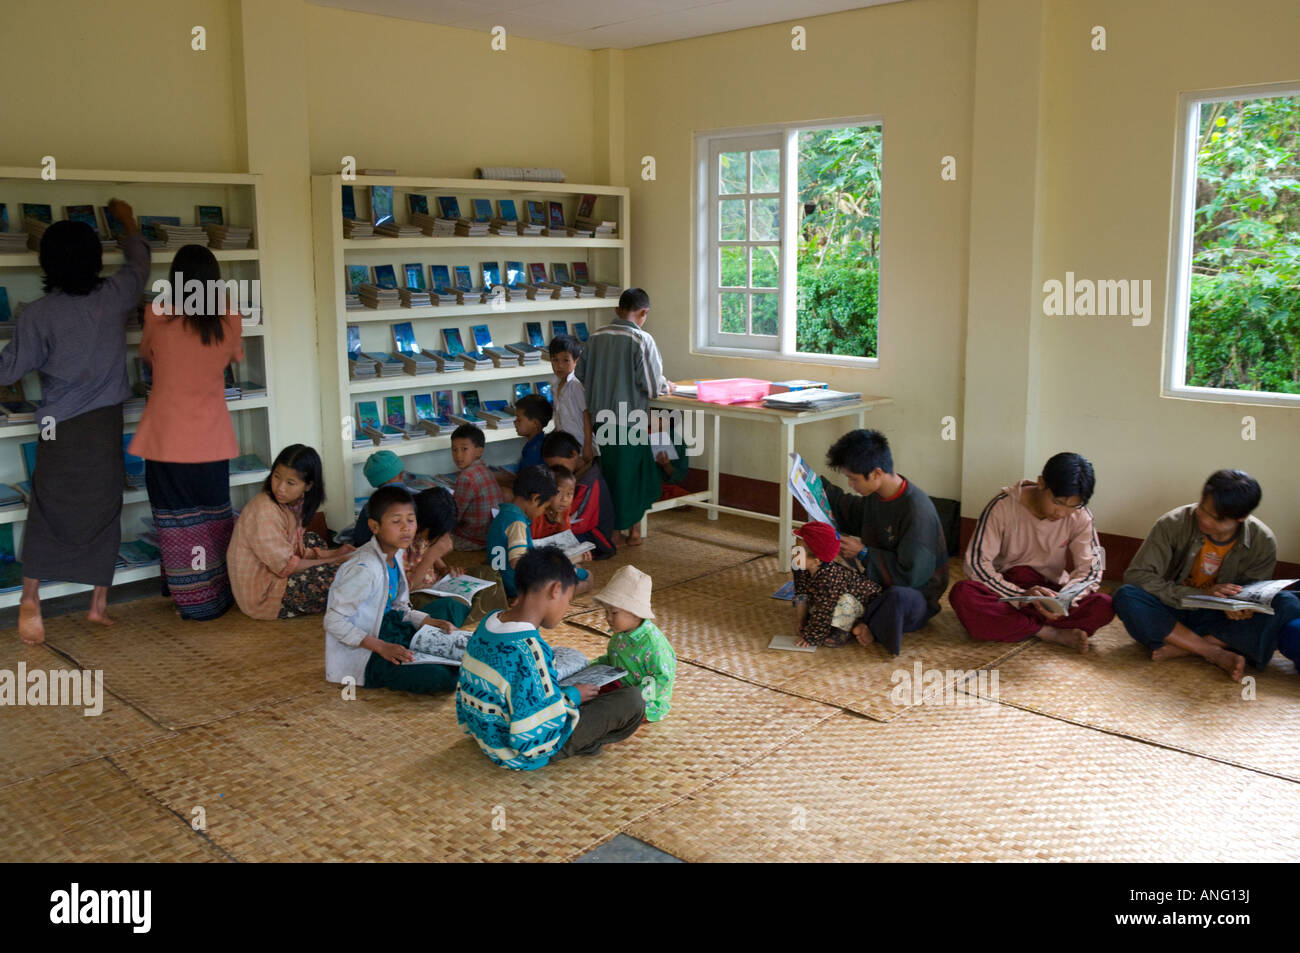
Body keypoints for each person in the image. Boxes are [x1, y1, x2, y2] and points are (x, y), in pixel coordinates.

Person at [1, 199, 150, 644]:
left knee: (47, 507)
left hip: (57, 426)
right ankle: (97, 605)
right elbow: (140, 261)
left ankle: (31, 600)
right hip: (104, 423)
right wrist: (126, 220)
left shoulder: (37, 314)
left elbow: (8, 371)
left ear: (47, 263)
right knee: (106, 508)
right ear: (94, 258)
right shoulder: (116, 295)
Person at [128, 244, 243, 621]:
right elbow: (233, 356)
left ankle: (191, 601)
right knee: (214, 521)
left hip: (166, 437)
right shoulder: (228, 318)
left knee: (176, 521)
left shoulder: (156, 315)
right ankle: (216, 596)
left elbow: (148, 355)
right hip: (212, 437)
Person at [457, 548, 645, 770]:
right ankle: (585, 744)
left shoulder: (490, 622)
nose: (566, 608)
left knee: (570, 671)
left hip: (485, 732)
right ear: (556, 590)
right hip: (513, 752)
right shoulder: (528, 651)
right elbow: (532, 738)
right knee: (632, 700)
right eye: (569, 598)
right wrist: (571, 697)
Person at [1112, 469, 1300, 680]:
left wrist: (1241, 606)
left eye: (1216, 518)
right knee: (1126, 595)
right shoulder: (1173, 523)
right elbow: (1138, 575)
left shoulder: (1262, 540)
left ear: (1241, 517)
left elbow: (1255, 594)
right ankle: (1212, 651)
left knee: (1288, 604)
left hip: (1219, 619)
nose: (1205, 519)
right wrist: (1198, 595)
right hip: (1175, 610)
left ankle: (1185, 646)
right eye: (1203, 508)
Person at [949, 452, 1112, 652]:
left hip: (1052, 592)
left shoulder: (1082, 516)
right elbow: (975, 563)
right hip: (1009, 591)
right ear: (1041, 483)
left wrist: (1066, 598)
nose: (1061, 513)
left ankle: (1016, 625)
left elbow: (1093, 568)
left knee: (1104, 605)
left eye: (1073, 506)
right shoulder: (1002, 506)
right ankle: (1048, 632)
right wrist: (1021, 596)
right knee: (962, 593)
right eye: (1058, 502)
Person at [324, 484, 463, 695]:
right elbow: (332, 621)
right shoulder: (364, 569)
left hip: (393, 629)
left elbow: (399, 607)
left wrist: (427, 620)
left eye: (411, 520)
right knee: (440, 678)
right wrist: (382, 647)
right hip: (369, 654)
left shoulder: (395, 554)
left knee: (452, 608)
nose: (406, 528)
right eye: (396, 521)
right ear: (374, 526)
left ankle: (431, 654)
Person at [821, 429, 949, 655]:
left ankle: (861, 622)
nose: (851, 484)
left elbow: (912, 575)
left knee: (897, 599)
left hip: (915, 596)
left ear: (877, 473)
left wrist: (864, 553)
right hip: (876, 586)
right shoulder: (875, 496)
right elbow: (851, 511)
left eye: (854, 479)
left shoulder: (916, 511)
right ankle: (859, 621)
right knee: (822, 573)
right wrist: (816, 488)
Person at [575, 287, 674, 546]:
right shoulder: (641, 340)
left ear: (617, 310)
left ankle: (616, 529)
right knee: (632, 476)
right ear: (644, 312)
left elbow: (581, 375)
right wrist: (667, 385)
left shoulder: (595, 337)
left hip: (601, 417)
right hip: (628, 418)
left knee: (611, 474)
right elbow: (652, 387)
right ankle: (624, 531)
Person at [228, 444, 354, 619]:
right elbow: (285, 566)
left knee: (313, 540)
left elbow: (297, 547)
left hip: (278, 567)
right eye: (276, 477)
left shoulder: (295, 502)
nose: (280, 488)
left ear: (308, 486)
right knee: (344, 574)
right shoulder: (264, 511)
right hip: (265, 593)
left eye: (290, 483)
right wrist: (334, 559)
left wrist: (335, 552)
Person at [486, 464, 592, 599]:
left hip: (500, 581)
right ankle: (551, 598)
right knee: (587, 577)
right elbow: (518, 562)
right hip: (518, 586)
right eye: (545, 506)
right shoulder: (517, 522)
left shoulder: (503, 515)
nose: (543, 511)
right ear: (535, 499)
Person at [590, 565, 677, 722]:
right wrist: (591, 668)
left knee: (613, 708)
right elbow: (612, 661)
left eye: (614, 612)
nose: (608, 618)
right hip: (621, 685)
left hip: (644, 700)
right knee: (589, 690)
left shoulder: (653, 645)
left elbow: (663, 678)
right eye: (606, 612)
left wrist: (636, 697)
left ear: (636, 613)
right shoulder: (619, 634)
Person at [790, 521, 883, 648]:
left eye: (798, 553)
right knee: (817, 606)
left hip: (865, 604)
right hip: (831, 598)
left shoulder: (828, 579)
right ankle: (849, 624)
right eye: (794, 548)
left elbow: (824, 609)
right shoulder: (801, 566)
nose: (793, 554)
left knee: (840, 604)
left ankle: (844, 632)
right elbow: (801, 592)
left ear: (817, 561)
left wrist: (811, 637)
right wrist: (801, 620)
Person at [542, 430, 617, 559]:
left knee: (547, 544)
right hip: (574, 527)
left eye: (558, 465)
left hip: (593, 536)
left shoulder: (588, 481)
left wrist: (553, 521)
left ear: (574, 455)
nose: (555, 471)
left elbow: (581, 524)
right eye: (551, 467)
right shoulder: (571, 475)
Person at [448, 424, 502, 550]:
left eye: (464, 449)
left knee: (433, 539)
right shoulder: (484, 469)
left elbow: (455, 515)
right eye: (454, 449)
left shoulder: (466, 477)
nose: (458, 455)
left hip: (473, 539)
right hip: (490, 534)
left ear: (479, 451)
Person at [348, 449, 409, 547]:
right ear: (401, 475)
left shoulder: (369, 506)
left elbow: (359, 537)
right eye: (401, 473)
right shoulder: (409, 498)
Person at [549, 334, 593, 461]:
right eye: (555, 360)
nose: (560, 365)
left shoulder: (576, 384)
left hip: (581, 443)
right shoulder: (555, 383)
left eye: (565, 360)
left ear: (576, 361)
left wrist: (588, 445)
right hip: (565, 445)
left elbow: (587, 415)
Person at [532, 465, 576, 539]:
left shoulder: (564, 509)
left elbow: (566, 536)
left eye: (569, 494)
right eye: (558, 492)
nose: (564, 499)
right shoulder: (537, 513)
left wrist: (562, 522)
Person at [512, 394, 552, 473]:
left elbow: (527, 482)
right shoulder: (536, 443)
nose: (514, 422)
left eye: (519, 420)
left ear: (535, 423)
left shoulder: (535, 451)